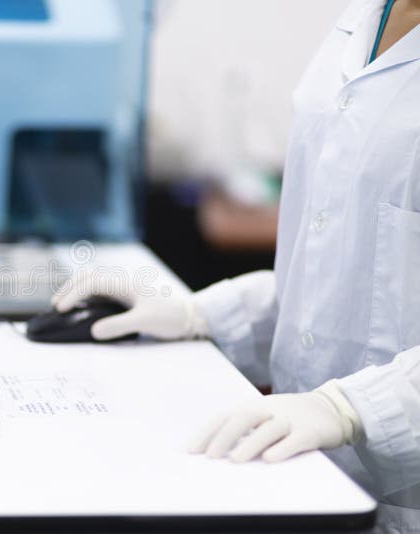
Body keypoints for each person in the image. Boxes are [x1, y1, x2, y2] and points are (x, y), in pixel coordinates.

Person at [54, 0, 420, 531]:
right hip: (300, 479)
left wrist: (349, 409)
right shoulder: (359, 23)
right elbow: (338, 279)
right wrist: (199, 316)